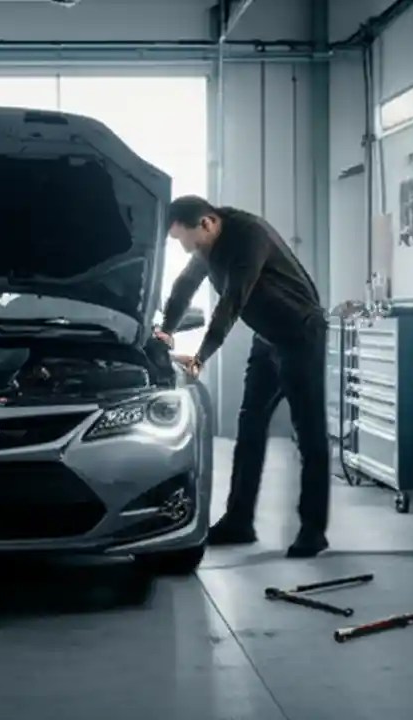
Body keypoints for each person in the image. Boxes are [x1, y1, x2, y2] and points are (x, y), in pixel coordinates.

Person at [155, 196, 330, 558]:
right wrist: (166, 330)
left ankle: (313, 530)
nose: (184, 248)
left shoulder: (249, 236)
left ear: (206, 223)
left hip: (300, 335)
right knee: (250, 427)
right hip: (266, 339)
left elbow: (232, 301)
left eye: (183, 239)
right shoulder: (207, 245)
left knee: (309, 433)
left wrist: (201, 357)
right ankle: (239, 521)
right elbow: (184, 286)